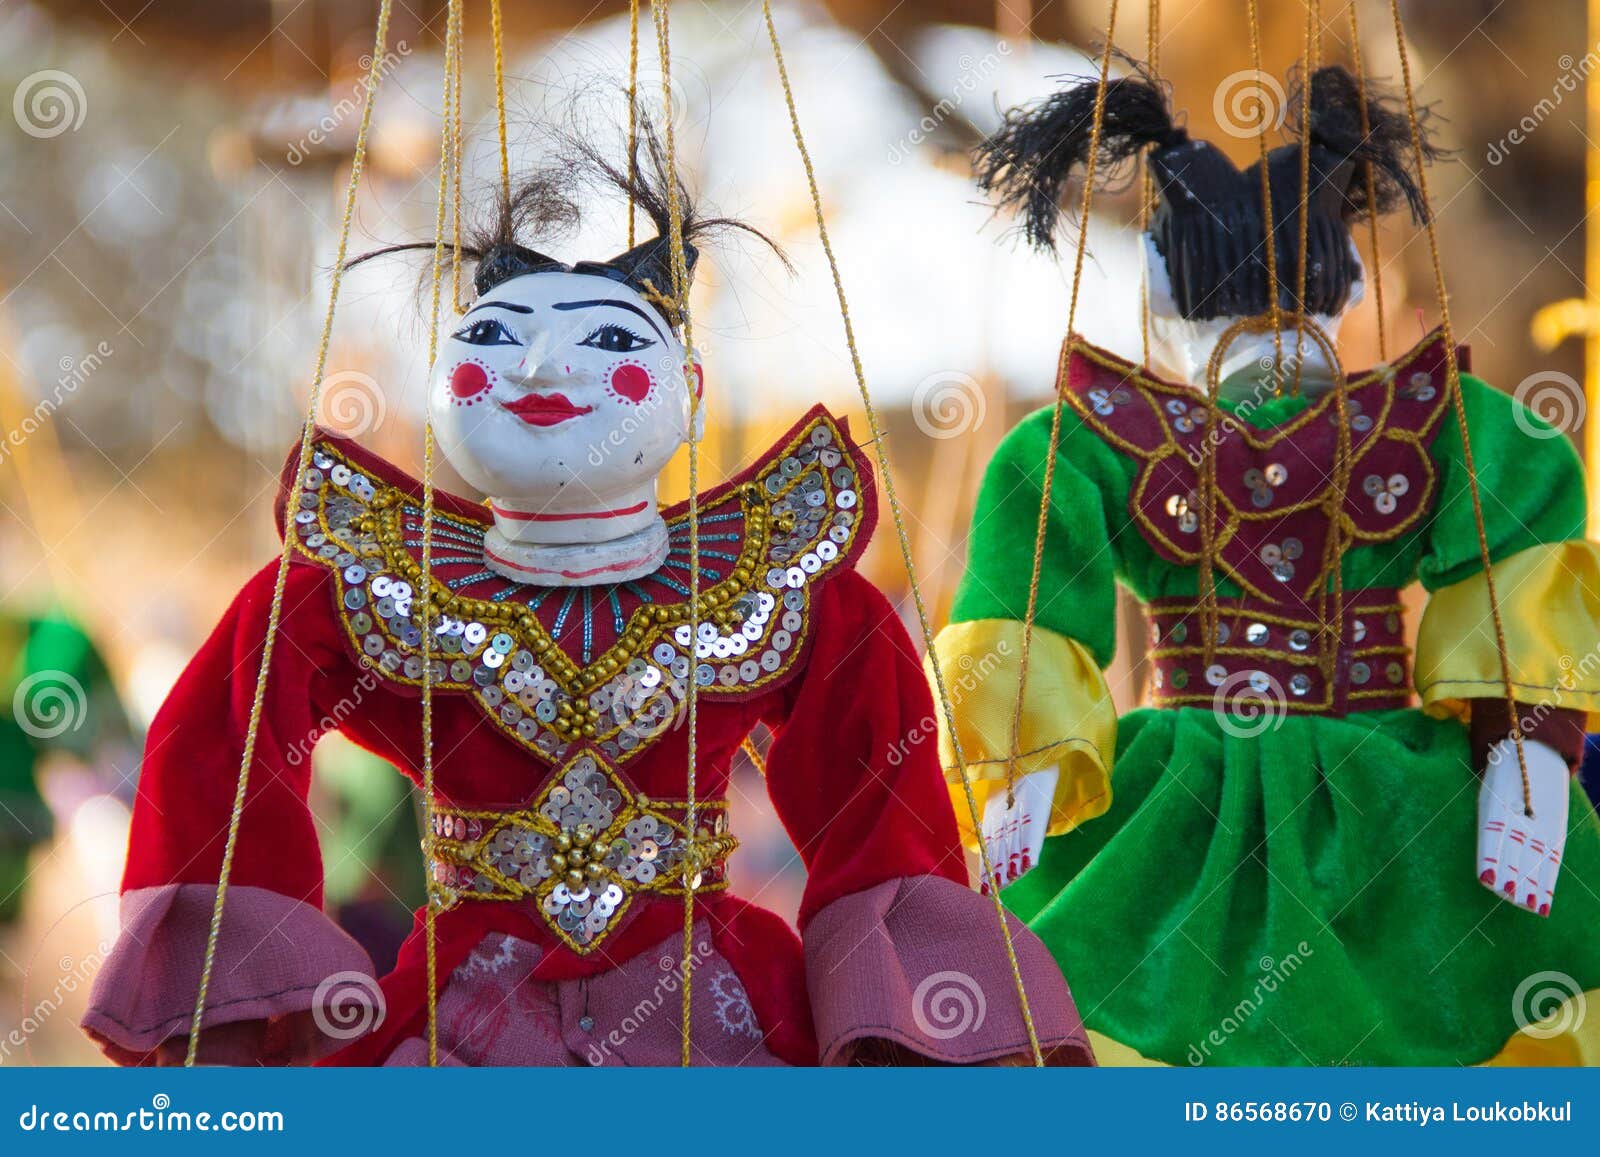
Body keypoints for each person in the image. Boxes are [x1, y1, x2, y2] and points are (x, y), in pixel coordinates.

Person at [82, 137, 1088, 1067]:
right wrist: (239, 989)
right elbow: (216, 756)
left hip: (717, 1012)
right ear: (444, 384)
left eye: (608, 339)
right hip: (457, 1013)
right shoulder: (351, 584)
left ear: (687, 387)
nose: (539, 365)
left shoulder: (792, 588)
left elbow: (880, 814)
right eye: (493, 335)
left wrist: (905, 1014)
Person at [932, 64, 1600, 1065]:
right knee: (1443, 999)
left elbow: (1022, 585)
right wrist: (1523, 752)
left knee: (1124, 988)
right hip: (1382, 787)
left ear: (1160, 294)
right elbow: (1523, 562)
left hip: (1189, 792)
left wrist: (1022, 774)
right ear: (1352, 282)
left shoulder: (1100, 436)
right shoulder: (1431, 424)